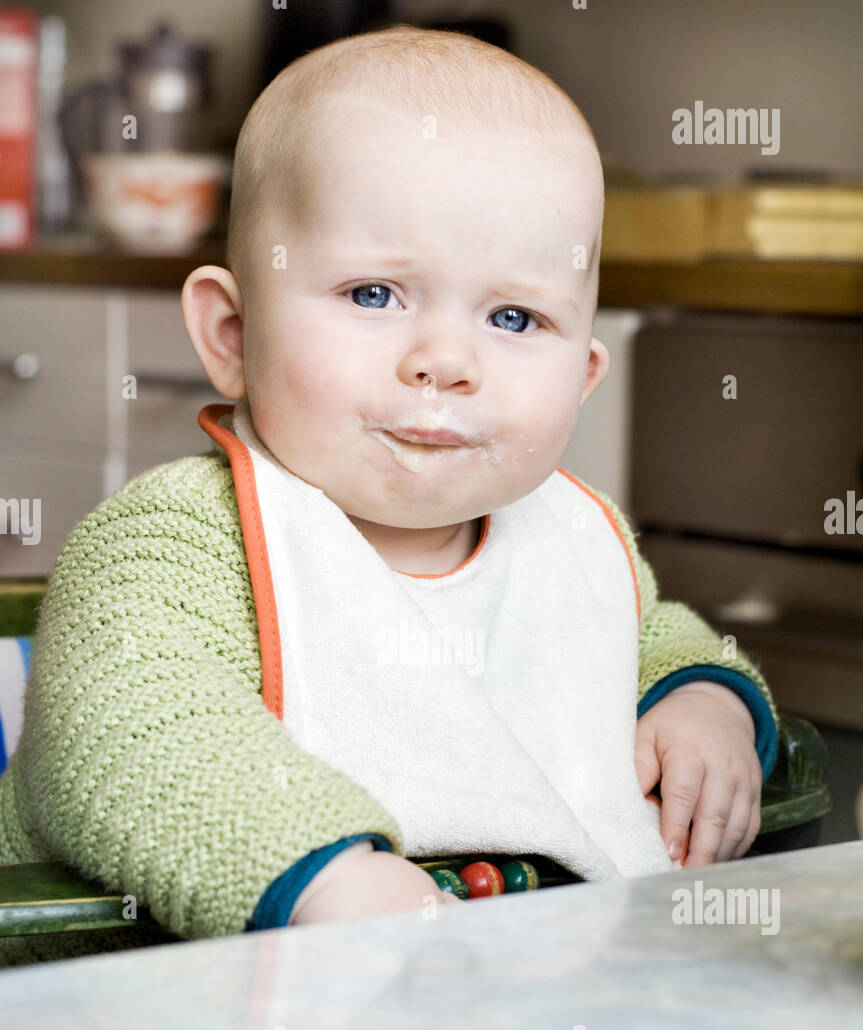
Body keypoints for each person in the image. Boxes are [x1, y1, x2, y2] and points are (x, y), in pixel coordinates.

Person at [0, 26, 778, 937]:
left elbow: (634, 637)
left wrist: (702, 699)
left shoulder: (572, 535)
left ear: (583, 377)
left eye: (515, 316)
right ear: (229, 335)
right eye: (374, 295)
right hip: (129, 1012)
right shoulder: (177, 540)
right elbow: (130, 735)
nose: (445, 361)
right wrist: (325, 878)